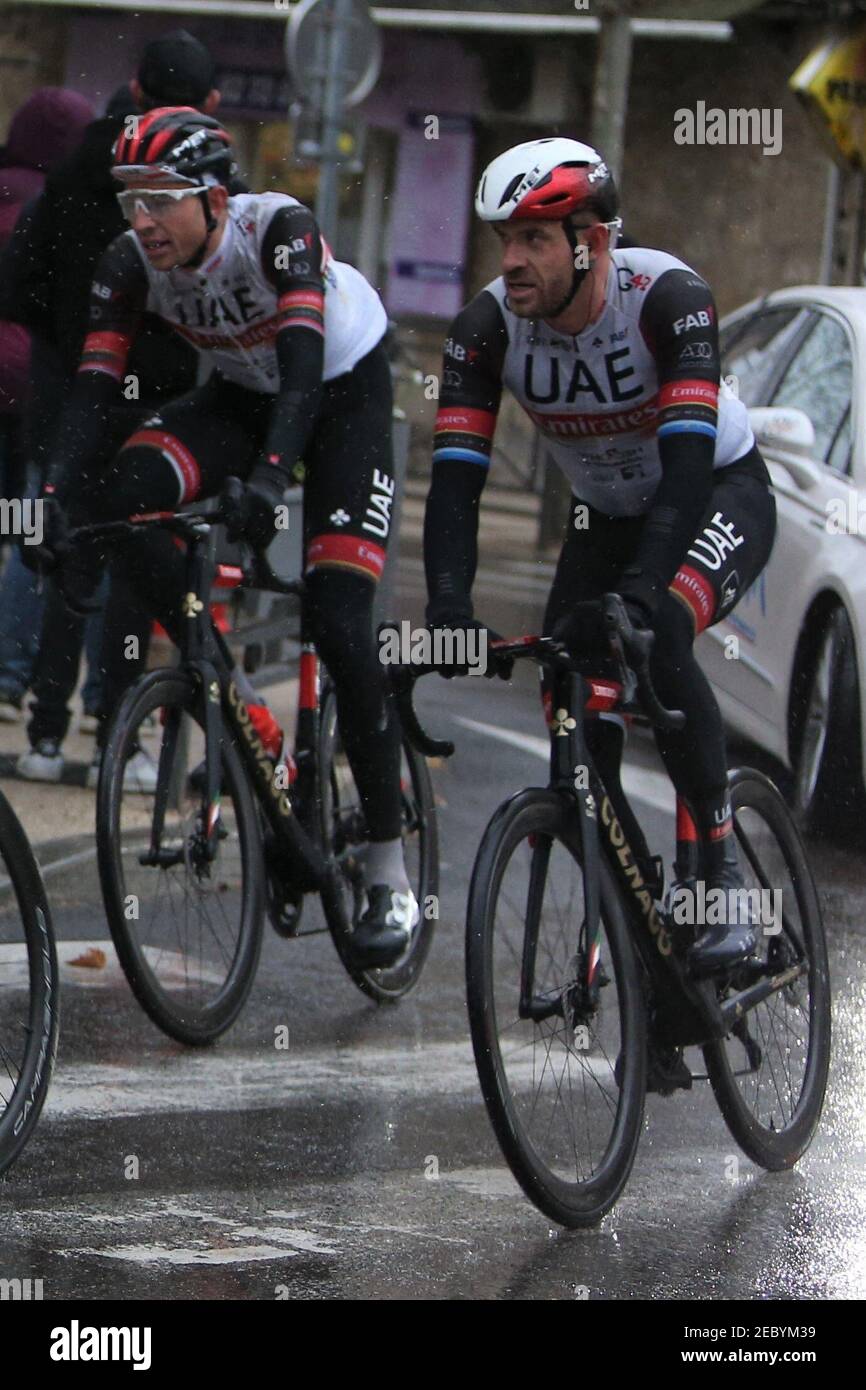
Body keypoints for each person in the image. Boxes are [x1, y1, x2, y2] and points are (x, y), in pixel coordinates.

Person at [29, 107, 415, 967]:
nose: (143, 220)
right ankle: (220, 678)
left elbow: (308, 370)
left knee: (342, 618)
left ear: (212, 197)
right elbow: (92, 396)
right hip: (244, 395)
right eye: (131, 199)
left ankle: (388, 869)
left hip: (339, 394)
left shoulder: (278, 231)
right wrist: (59, 501)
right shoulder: (128, 264)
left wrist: (274, 480)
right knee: (124, 492)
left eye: (161, 200)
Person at [422, 137, 777, 978]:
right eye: (504, 238)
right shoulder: (485, 329)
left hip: (716, 493)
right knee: (570, 697)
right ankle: (637, 914)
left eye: (535, 239)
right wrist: (446, 610)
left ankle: (718, 880)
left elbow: (689, 467)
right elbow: (454, 484)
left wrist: (646, 594)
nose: (511, 260)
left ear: (596, 242)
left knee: (663, 632)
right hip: (609, 517)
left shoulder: (668, 299)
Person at [0, 33, 226, 772]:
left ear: (133, 86)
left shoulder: (71, 169)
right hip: (167, 404)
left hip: (71, 393)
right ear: (212, 103)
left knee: (69, 554)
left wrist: (70, 340)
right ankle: (117, 736)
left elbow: (19, 282)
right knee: (140, 566)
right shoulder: (211, 182)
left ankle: (42, 733)